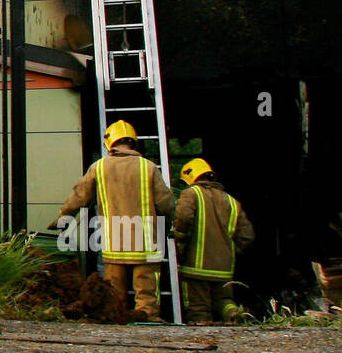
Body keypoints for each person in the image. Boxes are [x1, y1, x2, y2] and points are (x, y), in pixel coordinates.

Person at [55, 120, 175, 322]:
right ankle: (148, 318)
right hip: (146, 242)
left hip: (114, 242)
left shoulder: (99, 167)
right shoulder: (149, 167)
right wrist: (173, 224)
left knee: (114, 291)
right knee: (146, 292)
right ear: (134, 142)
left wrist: (63, 216)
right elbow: (167, 203)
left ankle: (114, 318)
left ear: (110, 143)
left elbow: (79, 196)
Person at [174, 158, 254, 324]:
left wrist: (180, 245)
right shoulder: (232, 202)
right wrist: (229, 251)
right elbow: (247, 236)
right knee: (223, 301)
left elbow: (182, 218)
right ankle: (233, 314)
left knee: (198, 308)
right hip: (224, 269)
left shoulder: (191, 194)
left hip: (195, 268)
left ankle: (203, 334)